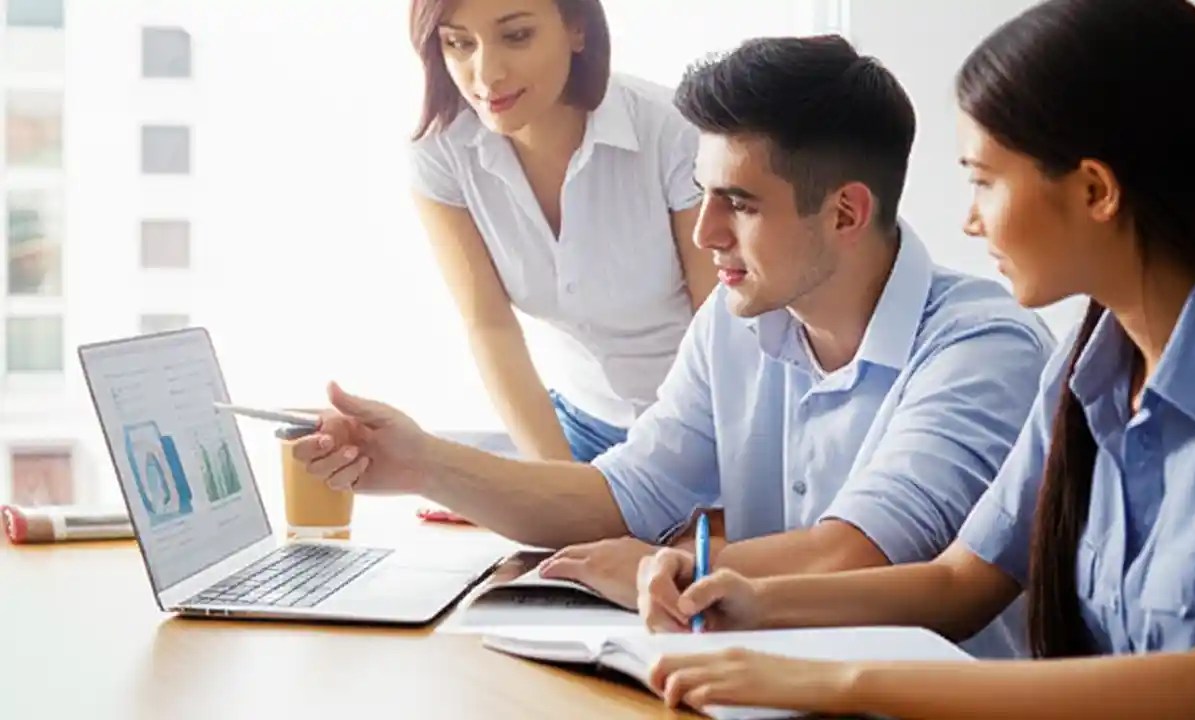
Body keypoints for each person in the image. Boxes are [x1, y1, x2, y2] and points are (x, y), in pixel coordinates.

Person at [297, 35, 1052, 657]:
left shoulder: (984, 348)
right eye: (703, 192)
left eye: (739, 203)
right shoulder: (735, 321)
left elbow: (856, 554)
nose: (705, 232)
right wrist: (422, 463)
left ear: (846, 213)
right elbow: (618, 497)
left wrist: (667, 568)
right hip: (763, 685)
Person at [636, 1, 1195, 716]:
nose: (970, 220)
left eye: (983, 180)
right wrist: (755, 601)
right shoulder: (1088, 369)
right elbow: (959, 583)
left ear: (1095, 190)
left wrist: (837, 680)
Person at [408, 0, 717, 462]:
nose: (486, 75)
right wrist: (555, 481)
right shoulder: (441, 153)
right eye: (459, 43)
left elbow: (724, 328)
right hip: (579, 426)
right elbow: (489, 327)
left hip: (704, 426)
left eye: (516, 36)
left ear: (577, 29)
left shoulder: (673, 134)